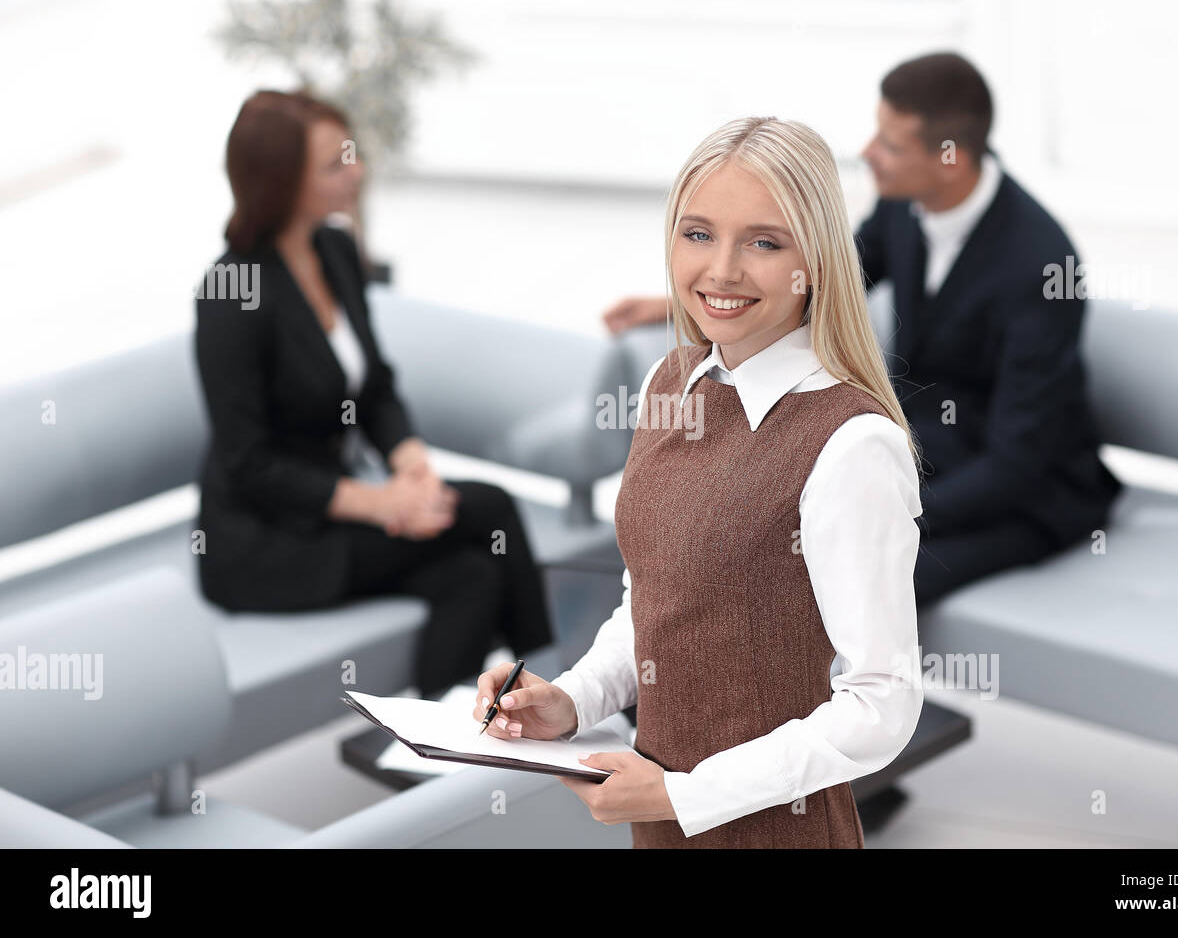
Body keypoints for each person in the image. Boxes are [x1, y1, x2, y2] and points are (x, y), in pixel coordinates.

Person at [470, 116, 926, 848]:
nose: (721, 271)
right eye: (698, 234)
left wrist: (691, 793)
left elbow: (883, 702)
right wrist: (572, 700)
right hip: (662, 818)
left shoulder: (851, 444)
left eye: (765, 243)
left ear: (817, 259)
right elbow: (653, 603)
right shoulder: (668, 381)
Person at [603, 52, 1121, 608]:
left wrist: (886, 506)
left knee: (859, 583)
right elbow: (828, 275)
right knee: (751, 543)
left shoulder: (1042, 264)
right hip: (927, 449)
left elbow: (1017, 461)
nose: (869, 153)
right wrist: (702, 297)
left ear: (950, 160)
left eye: (891, 144)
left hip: (1025, 493)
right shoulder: (904, 206)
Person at [193, 89, 554, 698]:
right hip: (266, 543)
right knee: (490, 509)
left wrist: (410, 465)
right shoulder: (231, 292)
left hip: (336, 510)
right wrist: (382, 504)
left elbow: (373, 387)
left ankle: (442, 747)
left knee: (470, 575)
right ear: (280, 182)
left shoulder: (333, 249)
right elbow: (249, 466)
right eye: (335, 164)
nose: (356, 171)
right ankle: (563, 695)